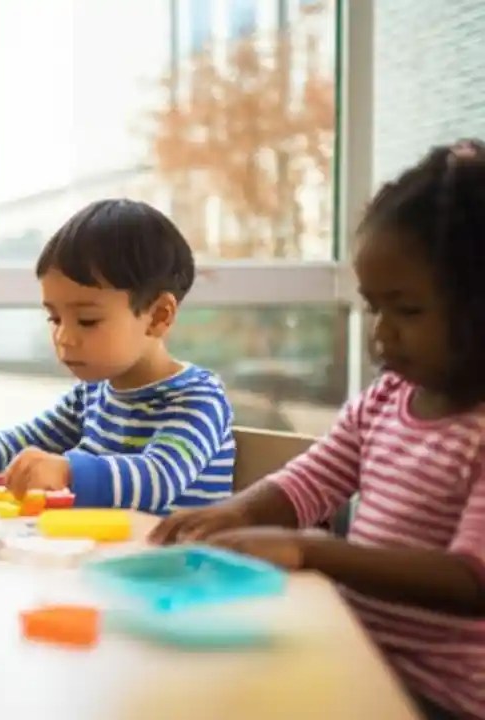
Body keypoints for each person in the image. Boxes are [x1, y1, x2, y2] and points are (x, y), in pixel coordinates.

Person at [151, 140, 485, 720]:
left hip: (443, 697)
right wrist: (238, 513)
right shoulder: (384, 400)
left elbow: (471, 580)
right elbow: (309, 480)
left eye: (406, 311)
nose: (381, 334)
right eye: (372, 308)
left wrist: (313, 551)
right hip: (360, 654)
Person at [0, 199, 234, 513]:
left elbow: (159, 477)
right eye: (54, 318)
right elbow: (32, 438)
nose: (63, 338)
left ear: (158, 316)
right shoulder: (92, 394)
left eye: (87, 321)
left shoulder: (197, 399)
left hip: (173, 560)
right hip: (98, 554)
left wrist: (68, 471)